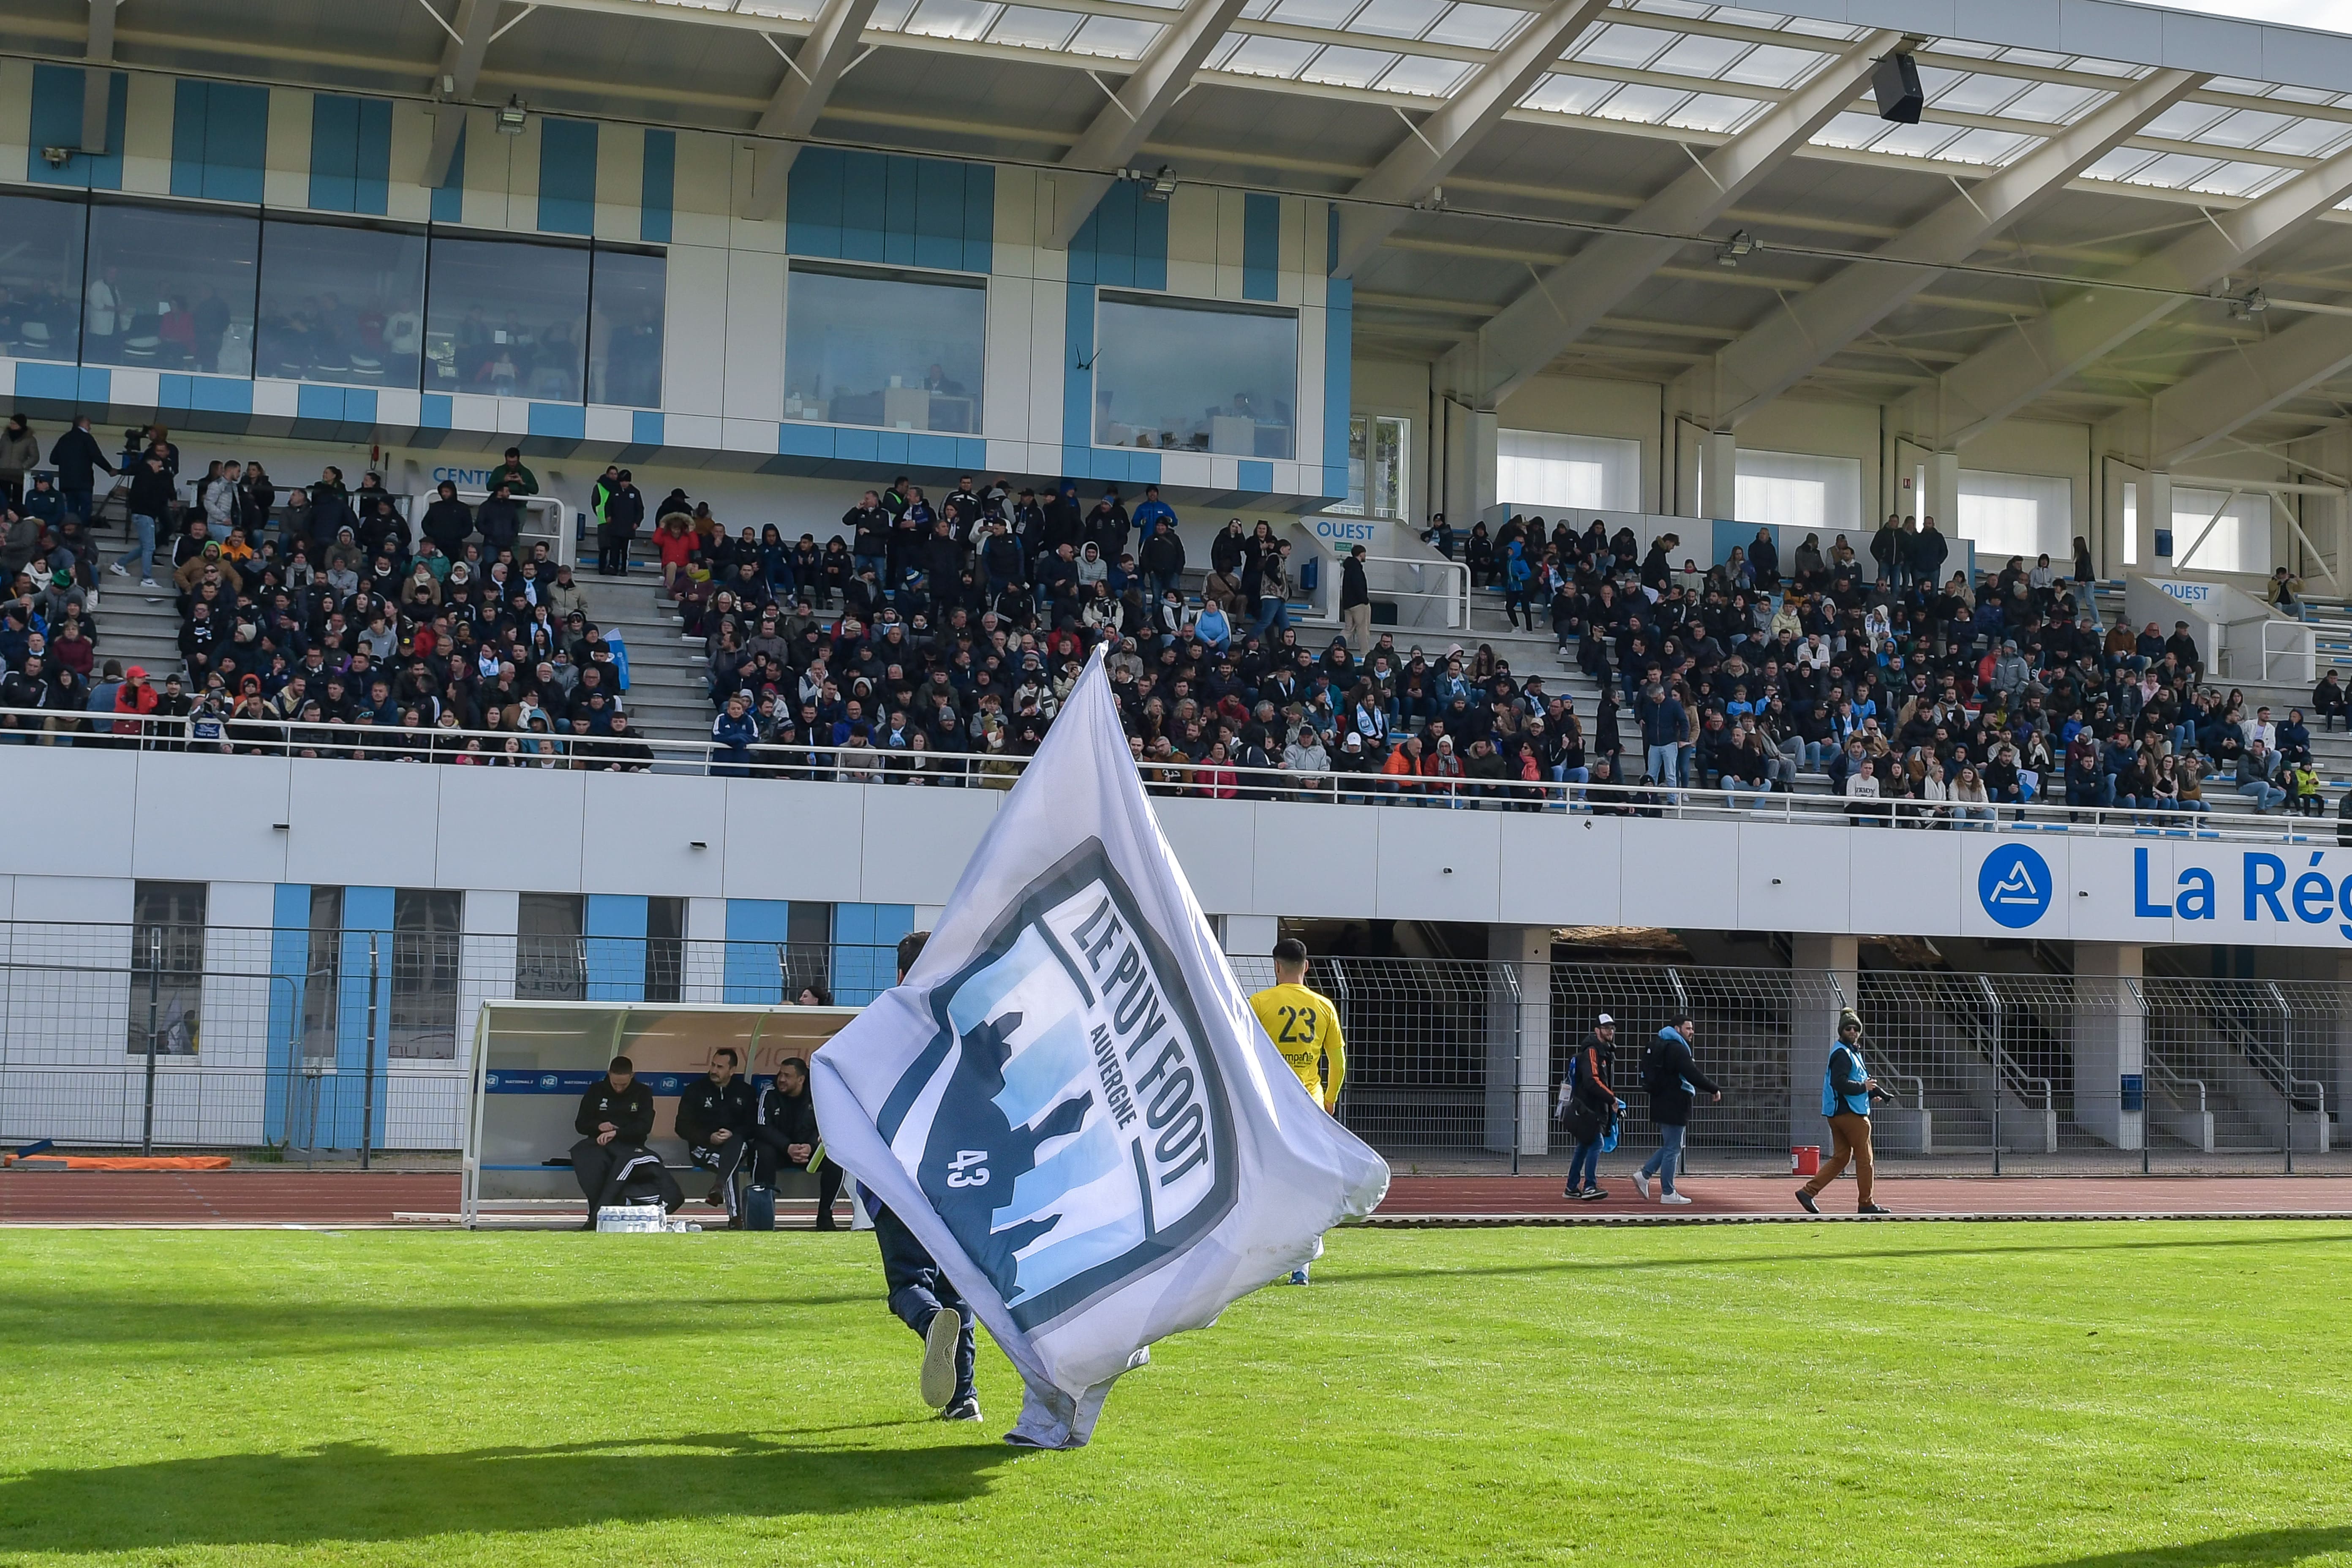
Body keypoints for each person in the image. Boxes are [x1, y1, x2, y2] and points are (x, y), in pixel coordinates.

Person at [850, 930, 981, 1421]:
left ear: (902, 973)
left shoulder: (878, 1026)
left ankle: (930, 1324)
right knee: (956, 1286)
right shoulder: (965, 1023)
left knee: (909, 1282)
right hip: (957, 1178)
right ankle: (963, 1399)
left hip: (896, 1179)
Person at [1247, 936, 1348, 1282]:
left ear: (1276, 967)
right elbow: (1338, 1061)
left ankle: (1262, 1256)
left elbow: (1244, 1053)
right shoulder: (1324, 1006)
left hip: (1271, 1103)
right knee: (1308, 1181)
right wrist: (1330, 1098)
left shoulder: (1259, 1003)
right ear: (1306, 967)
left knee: (1267, 1179)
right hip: (1309, 1105)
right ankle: (1301, 1264)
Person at [1796, 1010, 1892, 1216]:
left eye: (1856, 1029)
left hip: (1838, 1113)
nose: (1853, 1032)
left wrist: (1870, 1094)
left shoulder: (1849, 1051)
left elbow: (1854, 1081)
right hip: (1851, 1114)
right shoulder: (1843, 1054)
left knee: (1842, 1158)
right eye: (1848, 1028)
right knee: (1865, 1159)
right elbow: (1839, 1083)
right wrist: (1863, 1088)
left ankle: (1808, 1192)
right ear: (1842, 1031)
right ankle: (1866, 1203)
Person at [568, 1055, 680, 1228]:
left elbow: (644, 1126)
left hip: (631, 1146)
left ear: (632, 1076)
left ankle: (606, 1215)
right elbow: (581, 1124)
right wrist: (599, 1126)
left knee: (626, 1166)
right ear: (609, 1074)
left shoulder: (643, 1092)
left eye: (624, 1085)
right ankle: (598, 1215)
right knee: (592, 1165)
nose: (619, 1089)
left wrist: (618, 1133)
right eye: (615, 1084)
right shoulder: (596, 1091)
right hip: (599, 1146)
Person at [1635, 1012, 1719, 1206]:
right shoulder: (1677, 1049)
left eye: (1692, 1028)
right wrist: (1713, 1088)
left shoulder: (1660, 1045)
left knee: (1672, 1145)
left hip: (1660, 1100)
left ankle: (1645, 1175)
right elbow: (1692, 1073)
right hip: (1675, 1102)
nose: (1692, 1032)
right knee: (1673, 1148)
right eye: (1688, 1028)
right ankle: (1668, 1192)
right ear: (1677, 1029)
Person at [754, 1055, 844, 1230]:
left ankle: (825, 1216)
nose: (781, 1079)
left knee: (835, 1158)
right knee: (763, 1151)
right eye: (781, 1074)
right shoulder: (770, 1093)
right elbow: (762, 1127)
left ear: (801, 1080)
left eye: (787, 1076)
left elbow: (828, 1125)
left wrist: (811, 1146)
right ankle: (764, 1216)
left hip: (808, 1152)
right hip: (781, 1151)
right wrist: (787, 1147)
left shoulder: (817, 1094)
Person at [674, 1046, 758, 1228]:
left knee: (736, 1143)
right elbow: (681, 1126)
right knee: (727, 1166)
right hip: (703, 1147)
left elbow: (753, 1126)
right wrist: (709, 1137)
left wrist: (733, 1134)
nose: (714, 1070)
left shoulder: (746, 1092)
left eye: (720, 1067)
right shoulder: (696, 1090)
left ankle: (720, 1188)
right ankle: (735, 1217)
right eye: (713, 1065)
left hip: (735, 1147)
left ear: (732, 1070)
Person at [1557, 1013, 1621, 1201]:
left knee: (1585, 1145)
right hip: (1588, 1109)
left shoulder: (1604, 1052)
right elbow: (1592, 1080)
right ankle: (1590, 1186)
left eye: (1612, 1028)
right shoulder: (1592, 1051)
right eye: (1606, 1028)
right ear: (1597, 1031)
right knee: (1596, 1143)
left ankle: (1571, 1187)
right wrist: (1611, 1098)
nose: (1610, 1031)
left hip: (1592, 1107)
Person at [1340, 544, 1372, 650]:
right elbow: (1358, 586)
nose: (1365, 556)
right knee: (1363, 630)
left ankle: (1337, 646)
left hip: (1348, 604)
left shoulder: (1348, 568)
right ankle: (1365, 653)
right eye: (1365, 554)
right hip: (1359, 604)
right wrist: (1365, 600)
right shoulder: (1357, 568)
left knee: (1348, 629)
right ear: (1361, 554)